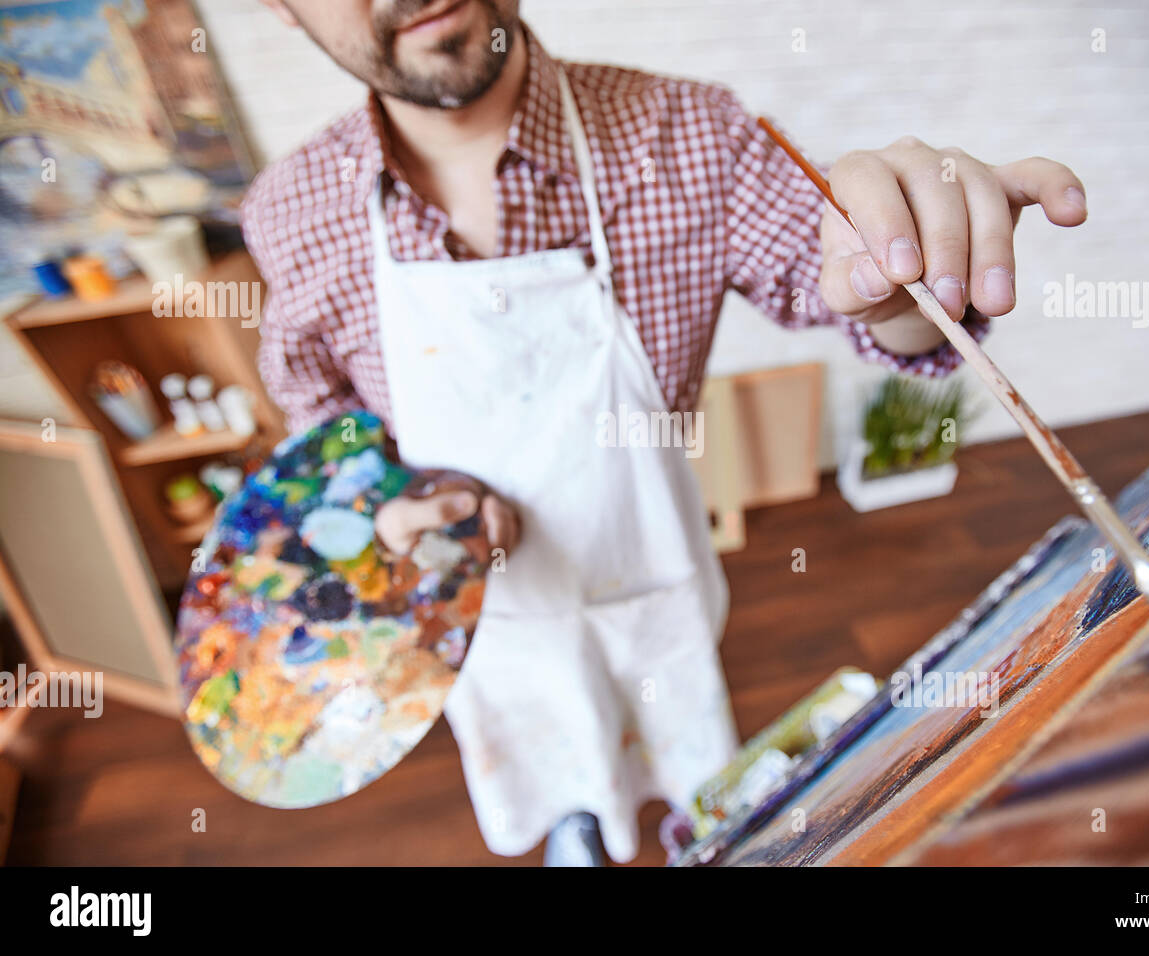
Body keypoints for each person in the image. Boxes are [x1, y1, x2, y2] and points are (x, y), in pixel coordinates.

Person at [243, 0, 1087, 865]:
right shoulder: (290, 211)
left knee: (682, 763)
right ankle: (577, 828)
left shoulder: (690, 136)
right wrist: (410, 503)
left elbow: (860, 291)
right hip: (486, 614)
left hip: (651, 582)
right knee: (551, 763)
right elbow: (327, 425)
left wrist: (902, 272)